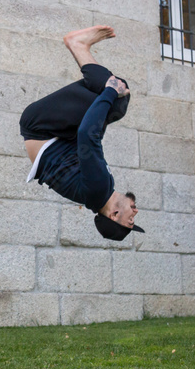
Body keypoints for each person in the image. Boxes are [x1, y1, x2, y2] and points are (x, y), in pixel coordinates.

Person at [20, 26, 144, 240]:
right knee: (108, 102)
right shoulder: (97, 194)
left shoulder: (100, 188)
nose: (135, 212)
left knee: (116, 99)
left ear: (114, 215)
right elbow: (86, 143)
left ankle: (77, 45)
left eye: (130, 219)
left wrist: (111, 91)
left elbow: (88, 134)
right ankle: (81, 49)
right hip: (52, 133)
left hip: (41, 127)